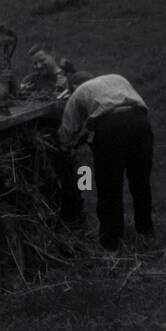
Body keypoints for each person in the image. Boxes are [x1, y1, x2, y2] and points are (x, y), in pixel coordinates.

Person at [58, 69, 154, 251]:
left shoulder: (77, 93)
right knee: (140, 182)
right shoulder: (117, 77)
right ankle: (146, 232)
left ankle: (111, 241)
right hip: (140, 122)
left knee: (110, 187)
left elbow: (66, 133)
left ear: (74, 87)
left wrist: (66, 150)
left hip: (111, 126)